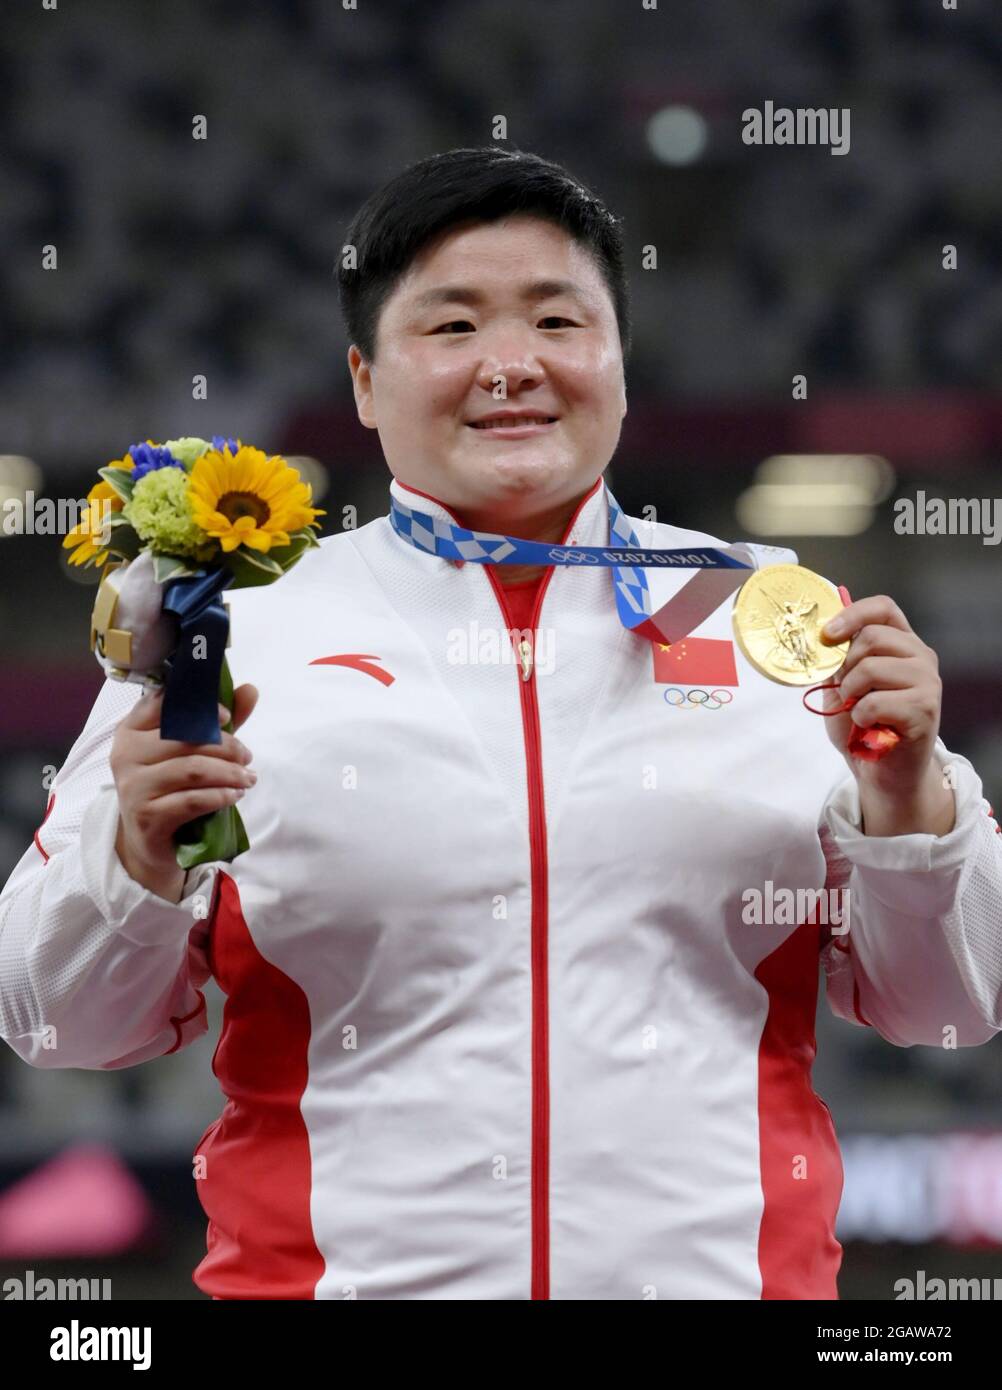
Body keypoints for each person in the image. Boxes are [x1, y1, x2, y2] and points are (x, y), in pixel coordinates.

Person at [1, 146, 1000, 1301]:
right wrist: (131, 857)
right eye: (454, 326)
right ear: (366, 382)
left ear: (619, 363)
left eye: (557, 321)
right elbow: (51, 1020)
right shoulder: (234, 631)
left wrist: (908, 802)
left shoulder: (778, 619)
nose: (512, 365)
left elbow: (951, 1005)